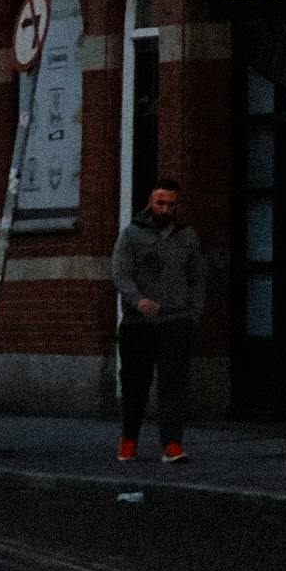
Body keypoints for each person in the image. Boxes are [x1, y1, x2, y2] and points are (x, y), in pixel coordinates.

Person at [112, 178, 208, 479]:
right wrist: (137, 300)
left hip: (175, 321)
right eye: (160, 202)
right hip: (138, 324)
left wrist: (194, 314)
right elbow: (120, 273)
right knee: (134, 384)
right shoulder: (131, 235)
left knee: (173, 385)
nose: (165, 208)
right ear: (150, 202)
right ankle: (129, 439)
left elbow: (198, 278)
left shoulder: (187, 237)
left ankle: (172, 443)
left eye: (171, 204)